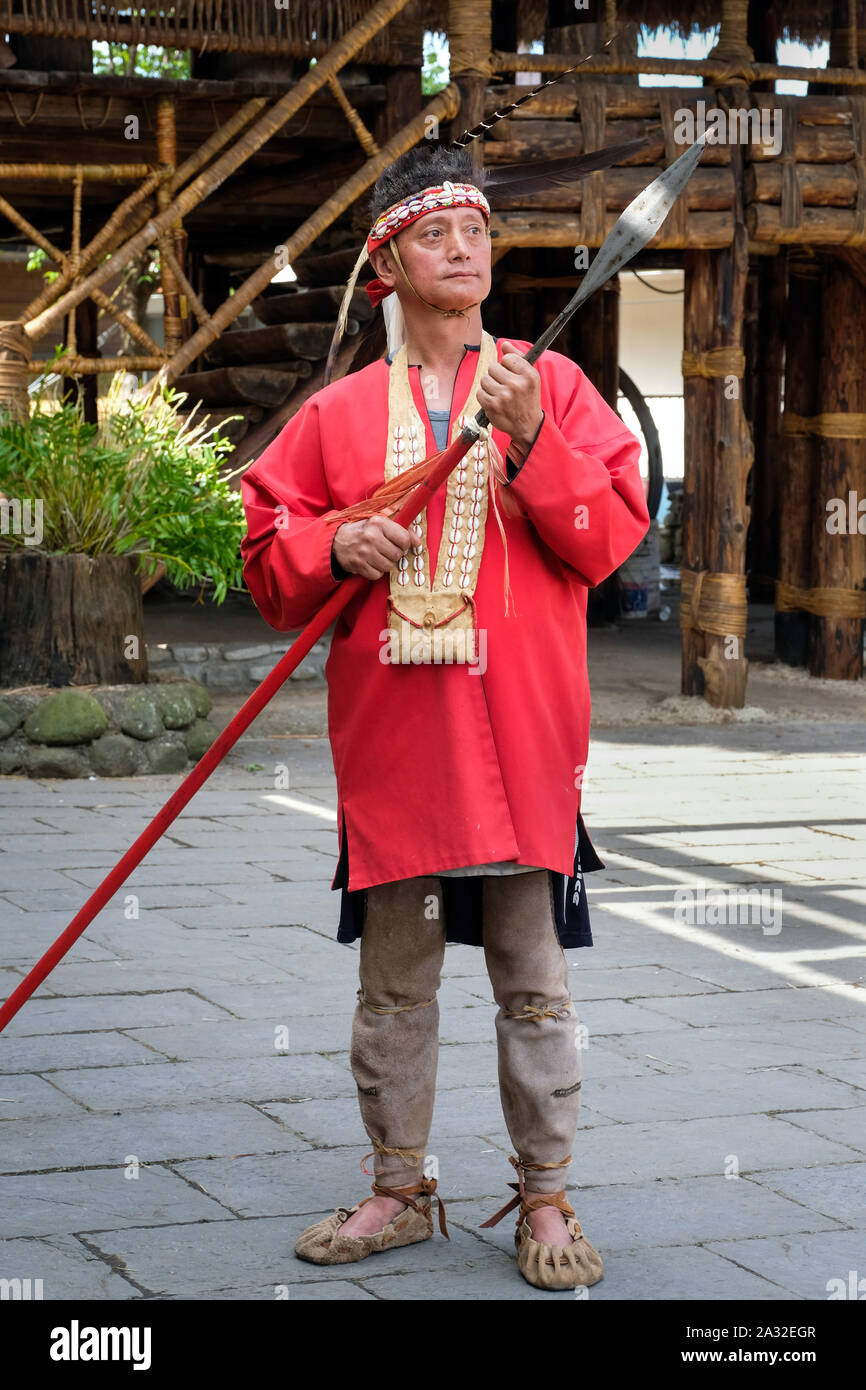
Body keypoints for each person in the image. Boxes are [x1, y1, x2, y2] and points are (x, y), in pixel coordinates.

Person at [240, 143, 650, 1291]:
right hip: (398, 741)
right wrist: (334, 542)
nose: (463, 249)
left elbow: (609, 539)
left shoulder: (549, 385)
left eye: (474, 230)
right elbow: (270, 554)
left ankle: (547, 1193)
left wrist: (530, 440)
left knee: (531, 975)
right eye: (435, 233)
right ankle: (398, 1185)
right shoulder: (337, 413)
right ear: (387, 263)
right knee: (395, 980)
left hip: (521, 735)